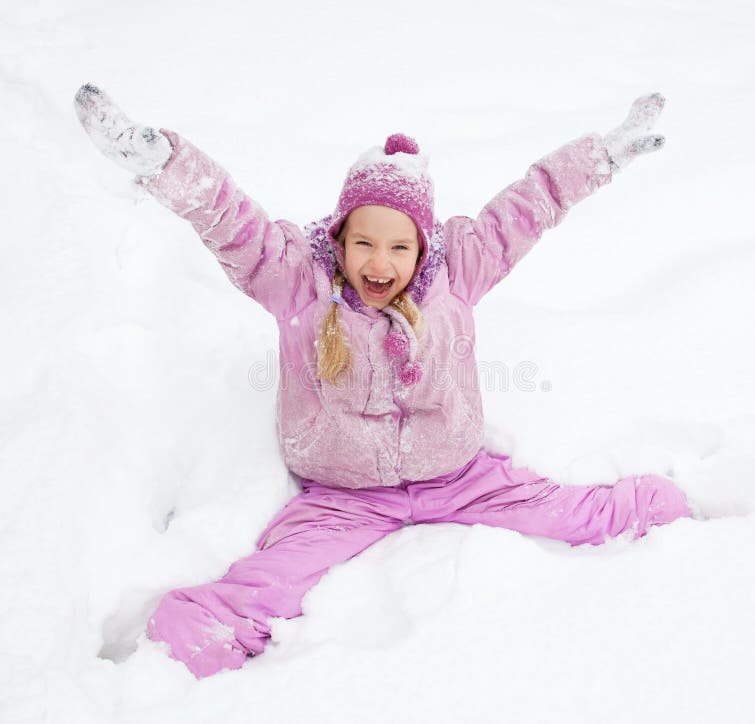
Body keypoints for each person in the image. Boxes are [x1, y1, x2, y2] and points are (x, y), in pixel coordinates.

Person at [74, 84, 698, 678]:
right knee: (277, 577)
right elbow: (232, 222)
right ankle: (195, 636)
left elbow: (527, 209)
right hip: (342, 495)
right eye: (364, 242)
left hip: (460, 477)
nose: (380, 262)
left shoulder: (458, 272)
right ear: (339, 238)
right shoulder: (298, 284)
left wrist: (600, 158)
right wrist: (166, 165)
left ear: (423, 249)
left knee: (570, 514)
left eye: (400, 247)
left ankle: (661, 509)